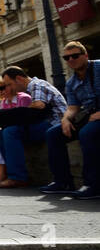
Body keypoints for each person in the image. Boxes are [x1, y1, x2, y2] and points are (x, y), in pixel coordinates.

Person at [0, 63, 68, 190]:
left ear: (19, 79)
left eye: (9, 84)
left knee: (10, 132)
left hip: (54, 123)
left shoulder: (37, 85)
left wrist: (13, 114)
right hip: (42, 123)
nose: (9, 88)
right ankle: (15, 174)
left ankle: (17, 177)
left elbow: (38, 105)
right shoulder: (31, 88)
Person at [42, 43, 100, 198]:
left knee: (87, 133)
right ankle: (63, 181)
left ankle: (93, 184)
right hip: (91, 116)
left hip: (97, 118)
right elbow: (73, 107)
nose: (71, 60)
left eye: (75, 56)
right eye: (67, 57)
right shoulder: (71, 82)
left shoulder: (99, 68)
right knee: (53, 134)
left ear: (85, 55)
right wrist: (66, 119)